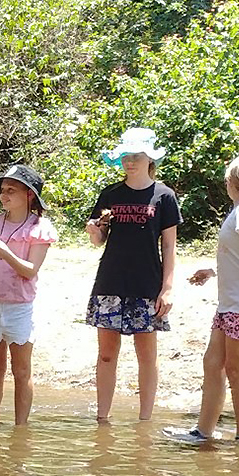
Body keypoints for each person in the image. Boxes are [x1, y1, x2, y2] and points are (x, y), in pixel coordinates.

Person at [173, 154, 239, 444]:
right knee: (213, 362)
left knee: (237, 371)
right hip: (233, 303)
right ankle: (204, 431)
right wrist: (212, 270)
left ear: (231, 181)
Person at [84, 128, 181, 422]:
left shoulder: (164, 196)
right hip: (110, 281)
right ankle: (102, 419)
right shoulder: (110, 194)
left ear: (149, 158)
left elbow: (169, 246)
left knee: (146, 356)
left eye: (136, 156)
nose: (130, 162)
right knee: (106, 354)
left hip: (146, 284)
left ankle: (145, 422)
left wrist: (167, 289)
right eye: (126, 156)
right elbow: (99, 240)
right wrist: (94, 231)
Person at [0, 165, 56, 427]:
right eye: (2, 190)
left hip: (21, 306)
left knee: (21, 370)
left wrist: (4, 252)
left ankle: (21, 427)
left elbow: (30, 271)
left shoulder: (39, 227)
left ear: (29, 195)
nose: (3, 195)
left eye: (11, 190)